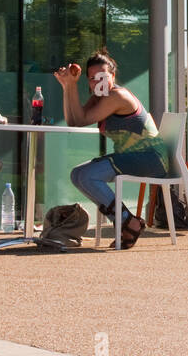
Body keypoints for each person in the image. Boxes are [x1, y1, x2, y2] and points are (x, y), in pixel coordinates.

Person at [61, 48, 172, 250]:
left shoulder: (116, 96)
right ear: (88, 81)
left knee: (86, 176)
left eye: (103, 76)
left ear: (112, 76)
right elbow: (72, 119)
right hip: (133, 157)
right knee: (77, 174)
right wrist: (67, 86)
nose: (98, 82)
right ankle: (126, 222)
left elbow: (79, 119)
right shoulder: (99, 97)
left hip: (150, 158)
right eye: (93, 78)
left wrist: (71, 85)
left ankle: (127, 222)